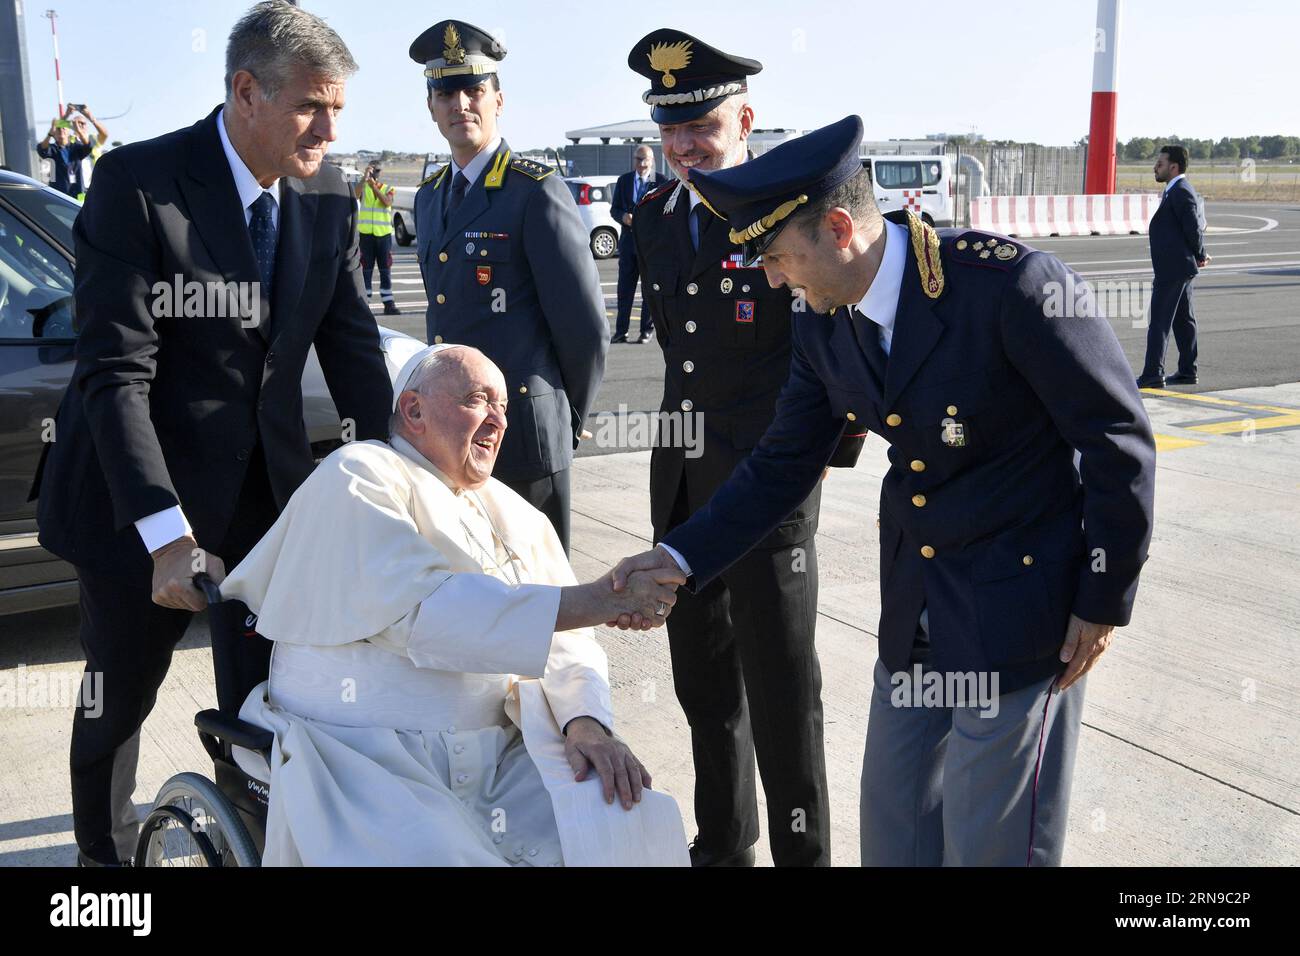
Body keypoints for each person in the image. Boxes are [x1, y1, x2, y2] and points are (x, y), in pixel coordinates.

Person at [612, 116, 1157, 866]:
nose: (770, 278)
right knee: (896, 839)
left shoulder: (1007, 288)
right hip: (915, 617)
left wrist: (1102, 601)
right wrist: (676, 557)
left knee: (990, 848)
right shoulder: (821, 322)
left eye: (775, 256)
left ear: (839, 228)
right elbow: (781, 464)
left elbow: (1116, 441)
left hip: (1019, 616)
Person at [31, 1, 393, 867]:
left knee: (269, 706)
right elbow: (117, 372)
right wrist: (166, 536)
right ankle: (104, 864)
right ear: (246, 91)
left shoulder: (328, 194)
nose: (329, 128)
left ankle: (256, 847)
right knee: (116, 704)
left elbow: (354, 355)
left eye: (338, 107)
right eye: (312, 105)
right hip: (138, 505)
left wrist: (399, 479)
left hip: (265, 503)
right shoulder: (138, 185)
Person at [217, 344, 690, 866]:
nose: (497, 420)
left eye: (504, 407)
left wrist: (584, 722)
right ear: (414, 410)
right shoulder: (359, 474)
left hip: (501, 755)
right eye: (477, 400)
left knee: (627, 822)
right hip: (362, 760)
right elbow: (424, 614)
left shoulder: (517, 513)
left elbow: (569, 642)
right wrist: (598, 599)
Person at [620, 30, 864, 868]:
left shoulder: (779, 215)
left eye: (703, 127)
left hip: (769, 488)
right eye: (671, 131)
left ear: (745, 120)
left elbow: (833, 341)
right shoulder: (653, 219)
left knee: (784, 691)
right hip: (683, 479)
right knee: (703, 683)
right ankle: (724, 846)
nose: (686, 147)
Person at [409, 19, 607, 553]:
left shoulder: (534, 190)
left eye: (474, 89)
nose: (460, 104)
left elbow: (584, 325)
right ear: (431, 106)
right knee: (471, 590)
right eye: (445, 91)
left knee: (535, 593)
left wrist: (569, 417)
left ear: (499, 99)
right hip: (453, 434)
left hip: (523, 432)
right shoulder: (428, 198)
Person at [1138, 144, 1209, 388]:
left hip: (1173, 269)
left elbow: (1193, 227)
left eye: (1160, 163)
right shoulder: (1174, 190)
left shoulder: (1180, 191)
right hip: (1178, 267)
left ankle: (1153, 373)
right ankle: (1188, 370)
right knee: (1183, 320)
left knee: (1159, 321)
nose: (1155, 167)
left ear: (1173, 166)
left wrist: (1200, 254)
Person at [609, 145, 667, 343]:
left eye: (645, 160)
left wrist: (646, 221)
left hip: (650, 246)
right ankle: (621, 331)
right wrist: (623, 216)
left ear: (652, 161)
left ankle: (646, 331)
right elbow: (614, 209)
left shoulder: (660, 182)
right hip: (627, 244)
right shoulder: (624, 181)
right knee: (625, 289)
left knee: (648, 290)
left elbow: (665, 213)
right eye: (638, 159)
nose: (641, 164)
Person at [354, 162, 401, 315]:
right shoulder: (363, 187)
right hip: (366, 235)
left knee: (384, 269)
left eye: (377, 171)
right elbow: (355, 194)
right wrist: (364, 178)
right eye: (373, 171)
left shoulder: (388, 188)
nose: (375, 173)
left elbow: (386, 202)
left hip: (383, 235)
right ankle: (364, 303)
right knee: (365, 269)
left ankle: (388, 303)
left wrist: (374, 186)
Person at [36, 110, 93, 198]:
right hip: (58, 192)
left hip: (76, 191)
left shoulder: (76, 147)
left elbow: (88, 146)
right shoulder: (52, 149)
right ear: (55, 133)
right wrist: (50, 133)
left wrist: (78, 130)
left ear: (68, 132)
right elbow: (42, 149)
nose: (61, 131)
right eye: (58, 129)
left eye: (64, 128)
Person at [71, 105, 110, 200]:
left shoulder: (93, 138)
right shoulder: (69, 140)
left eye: (82, 123)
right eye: (77, 123)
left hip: (95, 184)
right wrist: (68, 114)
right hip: (78, 186)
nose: (79, 125)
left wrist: (89, 116)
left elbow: (105, 134)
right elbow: (58, 127)